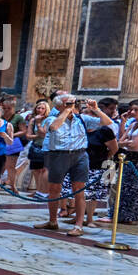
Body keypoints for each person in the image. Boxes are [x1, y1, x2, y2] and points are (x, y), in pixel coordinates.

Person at [35, 93, 98, 236]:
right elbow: (55, 127)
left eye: (72, 103)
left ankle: (79, 225)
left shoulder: (81, 118)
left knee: (79, 190)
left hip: (79, 155)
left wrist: (96, 109)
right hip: (58, 155)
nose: (71, 105)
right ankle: (52, 221)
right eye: (67, 103)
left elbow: (107, 123)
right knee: (54, 189)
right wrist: (67, 111)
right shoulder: (51, 118)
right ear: (59, 106)